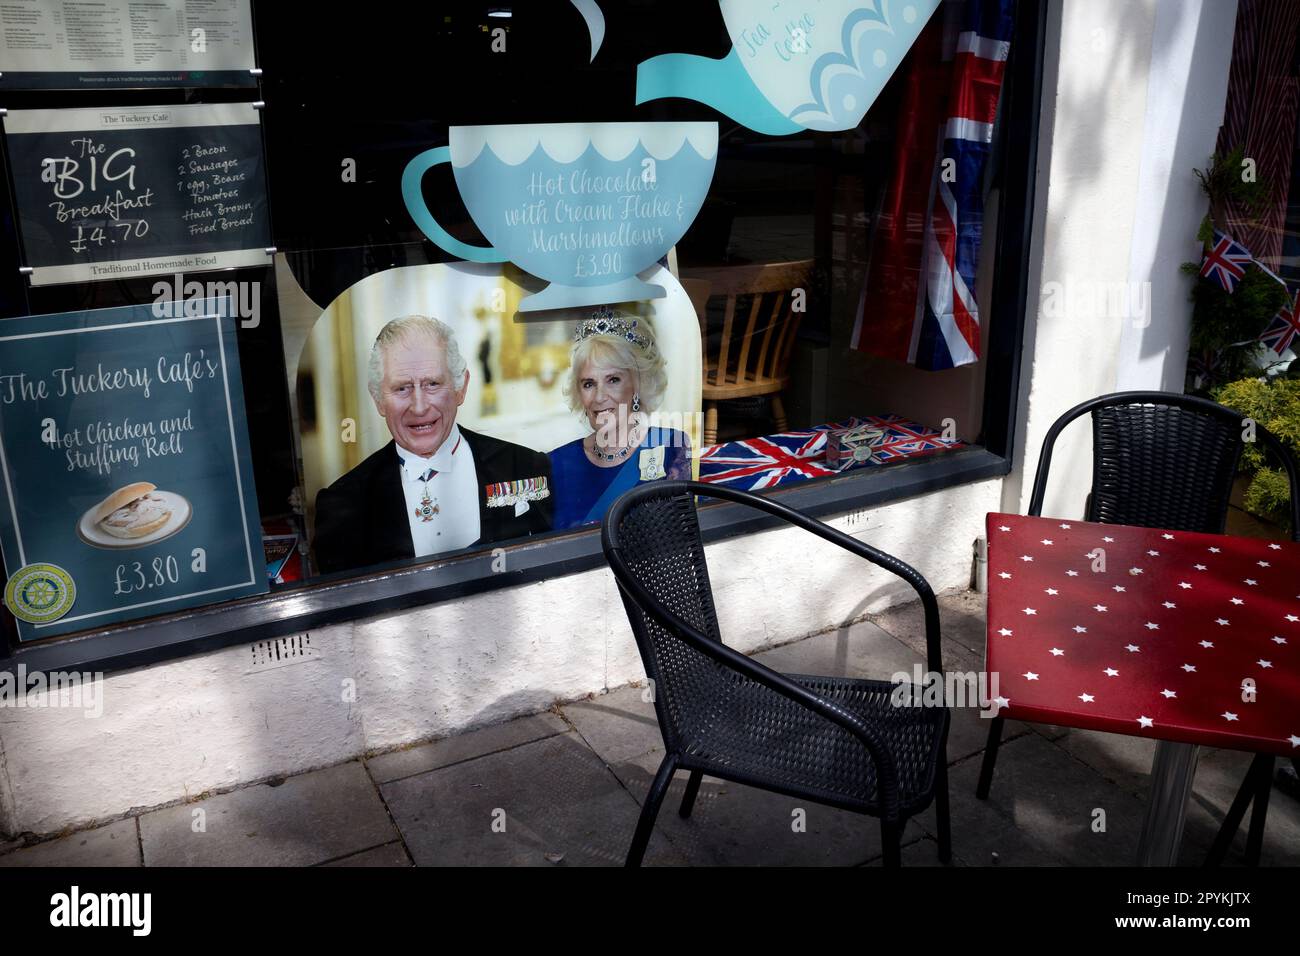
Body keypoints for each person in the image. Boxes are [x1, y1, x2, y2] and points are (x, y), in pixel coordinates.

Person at [313, 315, 552, 573]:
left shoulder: (524, 467)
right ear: (378, 399)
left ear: (460, 387)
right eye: (402, 388)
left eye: (432, 384)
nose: (419, 406)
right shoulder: (342, 505)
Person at [548, 308, 691, 530]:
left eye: (613, 379)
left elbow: (678, 535)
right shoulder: (558, 462)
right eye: (588, 384)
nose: (599, 396)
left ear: (637, 385)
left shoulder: (670, 446)